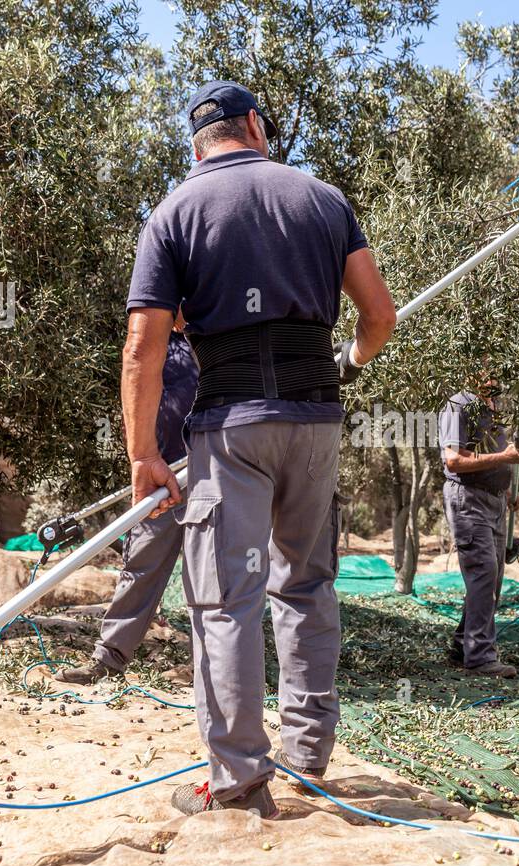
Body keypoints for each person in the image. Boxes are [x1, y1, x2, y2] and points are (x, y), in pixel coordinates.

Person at [121, 80, 397, 818]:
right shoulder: (323, 199)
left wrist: (144, 452)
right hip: (315, 420)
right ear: (254, 125)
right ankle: (309, 758)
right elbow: (380, 316)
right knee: (306, 585)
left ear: (197, 142)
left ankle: (239, 779)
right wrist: (350, 361)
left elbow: (145, 347)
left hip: (230, 426)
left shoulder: (174, 212)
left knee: (224, 602)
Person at [55, 324, 199, 684]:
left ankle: (207, 668)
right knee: (139, 568)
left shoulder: (215, 334)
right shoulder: (156, 340)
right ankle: (107, 661)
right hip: (161, 477)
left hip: (210, 475)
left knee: (208, 577)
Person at [437, 380, 519, 678]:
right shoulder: (459, 404)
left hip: (495, 502)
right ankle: (479, 658)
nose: (495, 375)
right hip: (469, 500)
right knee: (483, 574)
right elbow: (454, 460)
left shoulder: (493, 408)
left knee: (493, 579)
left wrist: (508, 489)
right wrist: (504, 459)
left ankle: (464, 643)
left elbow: (498, 455)